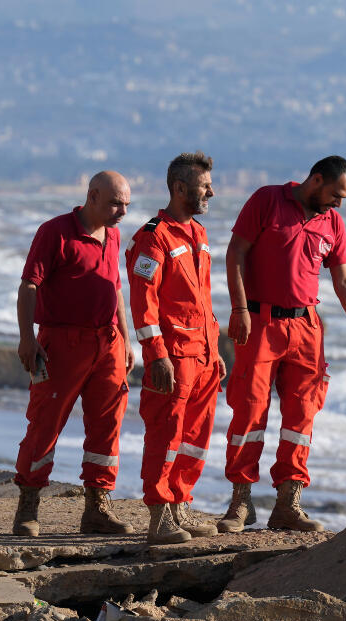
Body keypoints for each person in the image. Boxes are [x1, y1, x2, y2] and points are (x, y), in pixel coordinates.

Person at [220, 155, 346, 533]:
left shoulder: (333, 222)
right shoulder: (267, 200)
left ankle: (288, 504)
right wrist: (239, 308)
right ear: (316, 180)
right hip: (259, 322)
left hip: (306, 328)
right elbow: (235, 253)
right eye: (335, 194)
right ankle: (241, 503)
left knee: (302, 416)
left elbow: (344, 281)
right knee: (249, 412)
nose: (338, 203)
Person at [10, 171, 136, 537]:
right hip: (62, 343)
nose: (122, 212)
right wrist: (26, 338)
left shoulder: (112, 235)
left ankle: (97, 508)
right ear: (93, 197)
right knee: (45, 422)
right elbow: (29, 285)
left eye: (126, 205)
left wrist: (127, 340)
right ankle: (28, 508)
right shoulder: (55, 231)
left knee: (107, 425)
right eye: (116, 203)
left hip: (108, 343)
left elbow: (116, 287)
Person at [126, 152, 225, 544]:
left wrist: (215, 352)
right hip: (174, 358)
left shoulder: (198, 234)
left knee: (195, 437)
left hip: (203, 355)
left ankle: (180, 504)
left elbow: (202, 300)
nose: (211, 193)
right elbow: (143, 303)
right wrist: (157, 356)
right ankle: (158, 517)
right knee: (166, 435)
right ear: (180, 188)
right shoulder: (153, 237)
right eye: (205, 187)